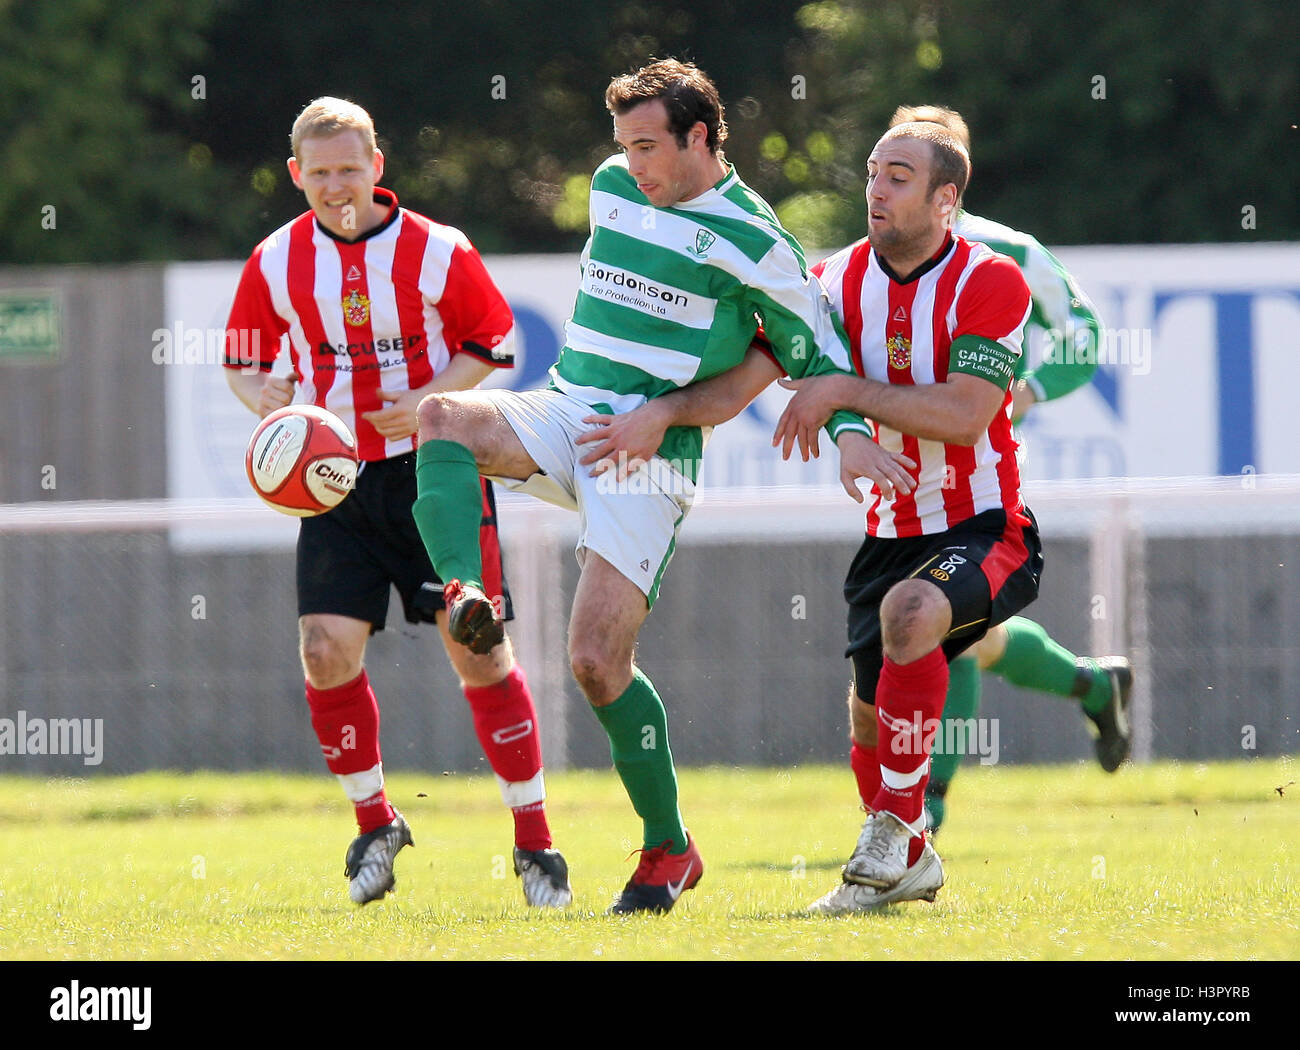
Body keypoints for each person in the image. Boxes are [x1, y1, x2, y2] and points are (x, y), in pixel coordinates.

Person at [409, 59, 904, 915]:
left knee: (596, 663)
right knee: (441, 418)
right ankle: (464, 590)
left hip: (650, 457)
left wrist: (848, 436)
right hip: (566, 412)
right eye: (623, 146)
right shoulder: (611, 186)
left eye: (648, 146)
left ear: (701, 138)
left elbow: (811, 353)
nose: (631, 164)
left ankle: (669, 849)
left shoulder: (756, 241)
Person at [578, 119, 1043, 913]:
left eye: (899, 176)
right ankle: (906, 863)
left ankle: (901, 823)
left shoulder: (989, 281)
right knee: (868, 718)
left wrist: (842, 392)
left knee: (912, 614)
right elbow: (745, 378)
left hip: (985, 525)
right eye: (872, 172)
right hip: (889, 535)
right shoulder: (825, 284)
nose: (876, 189)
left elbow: (967, 417)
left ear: (947, 197)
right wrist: (666, 412)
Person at [223, 97, 571, 909]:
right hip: (334, 485)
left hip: (434, 473)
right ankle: (375, 824)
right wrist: (265, 395)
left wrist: (429, 397)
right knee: (323, 649)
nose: (336, 185)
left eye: (350, 168)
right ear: (295, 175)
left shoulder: (437, 249)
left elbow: (493, 344)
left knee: (476, 650)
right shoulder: (275, 258)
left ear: (377, 167)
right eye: (320, 173)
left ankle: (534, 844)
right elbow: (242, 362)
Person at [884, 105, 1131, 836]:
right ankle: (1092, 684)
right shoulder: (876, 254)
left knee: (942, 625)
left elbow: (1084, 336)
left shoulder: (1006, 252)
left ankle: (926, 806)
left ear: (950, 178)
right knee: (973, 634)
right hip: (902, 473)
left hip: (983, 471)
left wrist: (1022, 390)